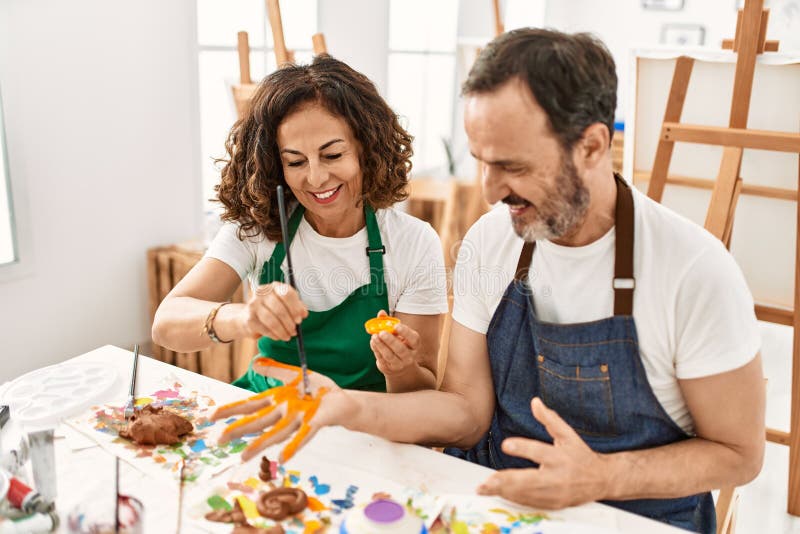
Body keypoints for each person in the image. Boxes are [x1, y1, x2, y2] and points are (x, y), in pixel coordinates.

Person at [229, 29, 766, 534]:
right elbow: (465, 413)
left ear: (594, 147)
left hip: (629, 513)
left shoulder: (693, 269)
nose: (489, 191)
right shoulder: (493, 241)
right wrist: (352, 408)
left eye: (511, 165)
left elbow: (739, 454)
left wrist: (604, 477)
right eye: (482, 162)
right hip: (494, 498)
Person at [152, 55, 448, 394]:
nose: (316, 178)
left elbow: (424, 390)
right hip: (265, 410)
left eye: (333, 155)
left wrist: (400, 368)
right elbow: (166, 323)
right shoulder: (260, 228)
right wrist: (244, 318)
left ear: (367, 149)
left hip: (365, 426)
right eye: (295, 161)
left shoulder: (413, 241)